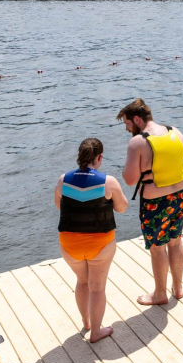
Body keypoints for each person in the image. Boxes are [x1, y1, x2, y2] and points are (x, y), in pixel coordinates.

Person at [119, 99, 183, 306]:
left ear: (137, 119)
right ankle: (178, 288)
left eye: (127, 124)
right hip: (180, 196)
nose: (127, 129)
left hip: (155, 202)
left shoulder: (137, 142)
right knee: (176, 241)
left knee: (158, 247)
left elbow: (129, 179)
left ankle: (160, 294)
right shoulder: (174, 131)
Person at [54, 138, 128, 342]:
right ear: (99, 157)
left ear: (79, 157)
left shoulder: (63, 180)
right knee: (97, 287)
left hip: (69, 244)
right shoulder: (108, 181)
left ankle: (86, 322)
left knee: (82, 281)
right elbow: (122, 208)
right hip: (100, 244)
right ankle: (96, 332)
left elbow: (61, 208)